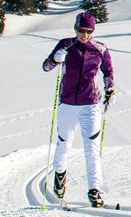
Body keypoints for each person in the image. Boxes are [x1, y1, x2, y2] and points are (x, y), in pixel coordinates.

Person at [43, 12, 114, 207]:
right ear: (75, 29)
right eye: (81, 30)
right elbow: (46, 66)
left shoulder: (100, 49)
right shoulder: (65, 45)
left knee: (91, 148)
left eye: (88, 31)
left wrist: (110, 91)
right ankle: (59, 176)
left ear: (93, 31)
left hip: (91, 104)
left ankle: (94, 190)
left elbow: (108, 71)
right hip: (67, 104)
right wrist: (56, 59)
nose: (84, 35)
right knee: (64, 143)